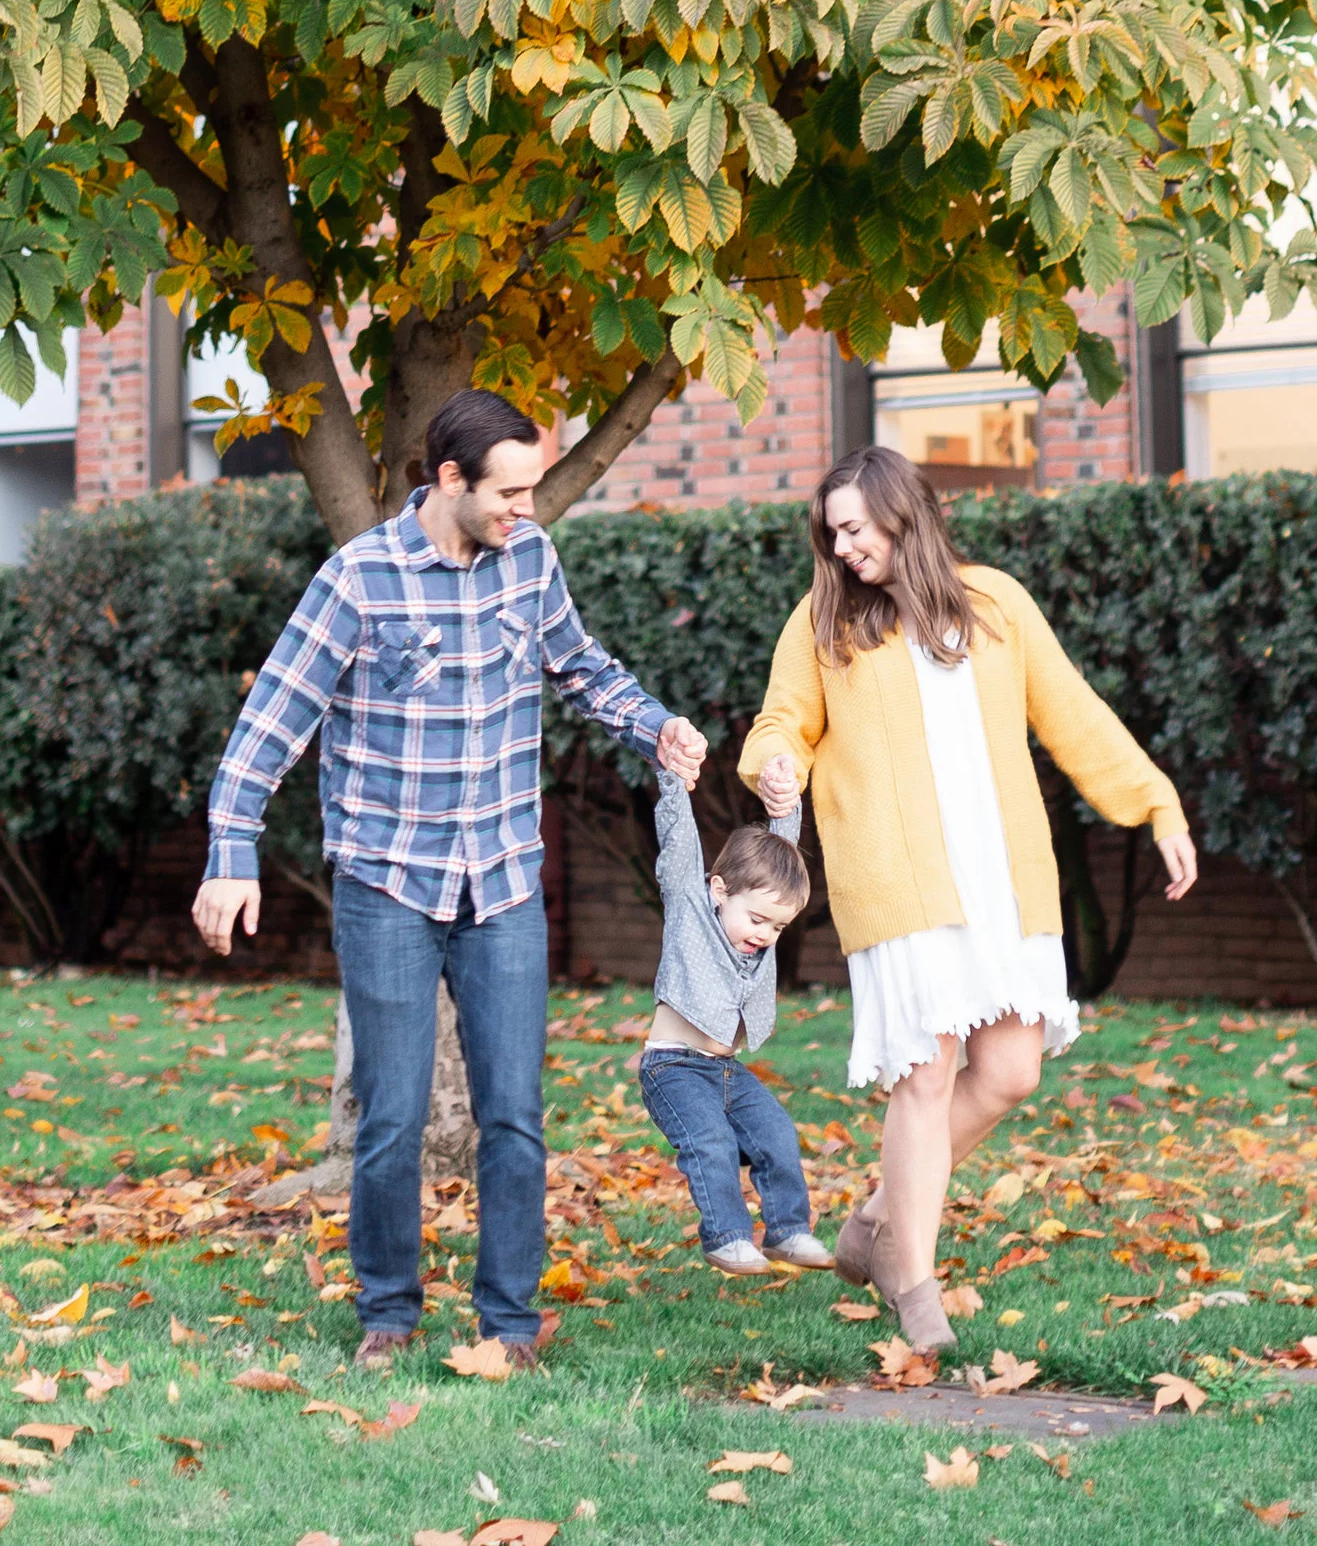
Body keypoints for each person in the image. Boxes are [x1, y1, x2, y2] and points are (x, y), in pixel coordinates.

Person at [192, 390, 708, 1369]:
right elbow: (273, 722)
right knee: (392, 1116)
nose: (525, 506)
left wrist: (654, 724)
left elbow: (580, 668)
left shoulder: (530, 560)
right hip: (388, 883)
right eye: (508, 490)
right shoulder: (360, 579)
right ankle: (387, 1316)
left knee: (511, 1112)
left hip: (503, 880)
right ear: (449, 480)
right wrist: (231, 852)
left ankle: (507, 1326)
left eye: (532, 488)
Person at [737, 445, 1197, 1354]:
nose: (843, 548)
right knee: (927, 1072)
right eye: (831, 534)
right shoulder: (825, 619)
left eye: (857, 528)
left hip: (1000, 872)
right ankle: (913, 1281)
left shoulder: (994, 605)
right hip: (897, 876)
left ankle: (876, 1220)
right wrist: (774, 761)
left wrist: (1155, 802)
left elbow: (1072, 712)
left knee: (1013, 1071)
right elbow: (778, 719)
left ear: (904, 516)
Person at [639, 760, 832, 1277]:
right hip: (673, 1069)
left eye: (779, 926)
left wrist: (784, 806)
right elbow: (678, 842)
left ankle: (788, 1232)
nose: (766, 934)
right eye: (758, 920)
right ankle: (727, 1237)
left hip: (725, 1071)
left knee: (777, 1136)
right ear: (720, 890)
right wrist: (673, 778)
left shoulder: (757, 927)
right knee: (712, 1143)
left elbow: (780, 864)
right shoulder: (690, 908)